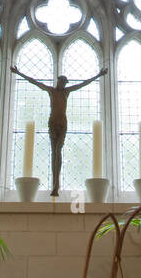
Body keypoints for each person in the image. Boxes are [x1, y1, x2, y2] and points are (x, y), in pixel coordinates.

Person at [10, 64, 108, 197]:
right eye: (61, 82)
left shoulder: (66, 92)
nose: (62, 84)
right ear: (58, 81)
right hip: (53, 123)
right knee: (54, 153)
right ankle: (55, 186)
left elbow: (83, 84)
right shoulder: (52, 91)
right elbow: (34, 82)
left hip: (62, 124)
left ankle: (57, 186)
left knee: (57, 151)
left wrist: (99, 75)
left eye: (64, 83)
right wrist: (18, 73)